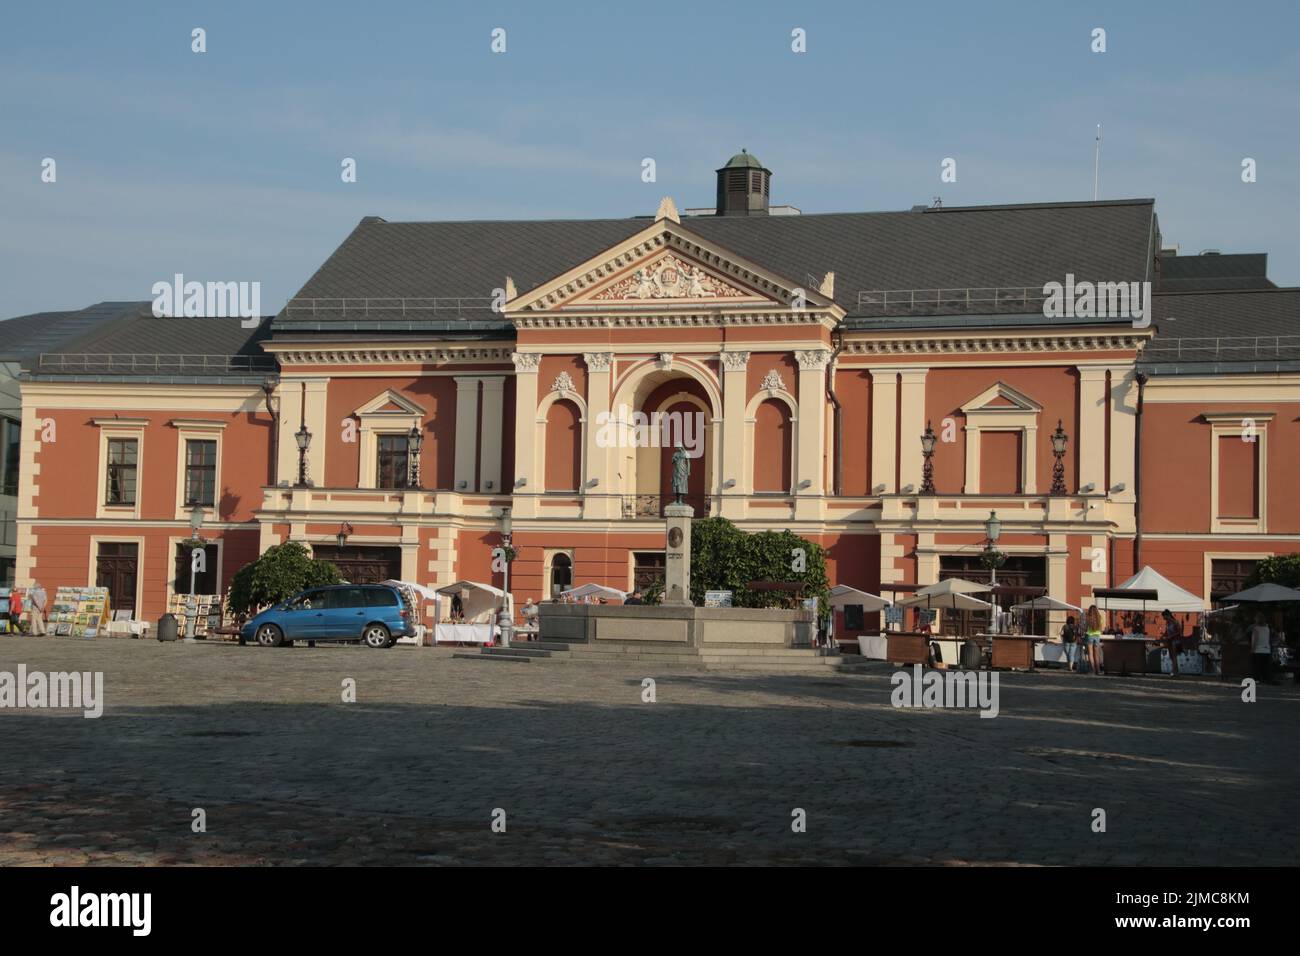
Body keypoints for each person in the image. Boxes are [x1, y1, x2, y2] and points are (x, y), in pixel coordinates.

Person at [1250, 611, 1277, 684]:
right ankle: (1267, 679)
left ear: (1256, 619)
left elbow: (1255, 639)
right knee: (1265, 667)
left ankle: (1257, 679)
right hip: (1266, 650)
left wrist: (1252, 649)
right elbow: (1270, 638)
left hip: (1258, 650)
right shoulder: (1268, 628)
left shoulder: (1255, 628)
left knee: (1257, 667)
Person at [1160, 608, 1183, 677]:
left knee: (1174, 656)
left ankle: (1173, 671)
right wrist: (1163, 636)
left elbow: (1179, 632)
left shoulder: (1175, 622)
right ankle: (1176, 672)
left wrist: (1171, 636)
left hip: (1175, 641)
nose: (1164, 618)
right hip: (1169, 641)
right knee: (1172, 657)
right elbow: (1167, 631)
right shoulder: (1167, 623)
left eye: (1164, 616)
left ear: (1168, 615)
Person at [1084, 604, 1104, 676]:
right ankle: (1098, 671)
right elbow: (1101, 628)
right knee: (1097, 654)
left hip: (1090, 636)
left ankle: (1092, 670)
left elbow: (1085, 628)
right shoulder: (1099, 617)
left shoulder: (1088, 618)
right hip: (1097, 636)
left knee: (1090, 654)